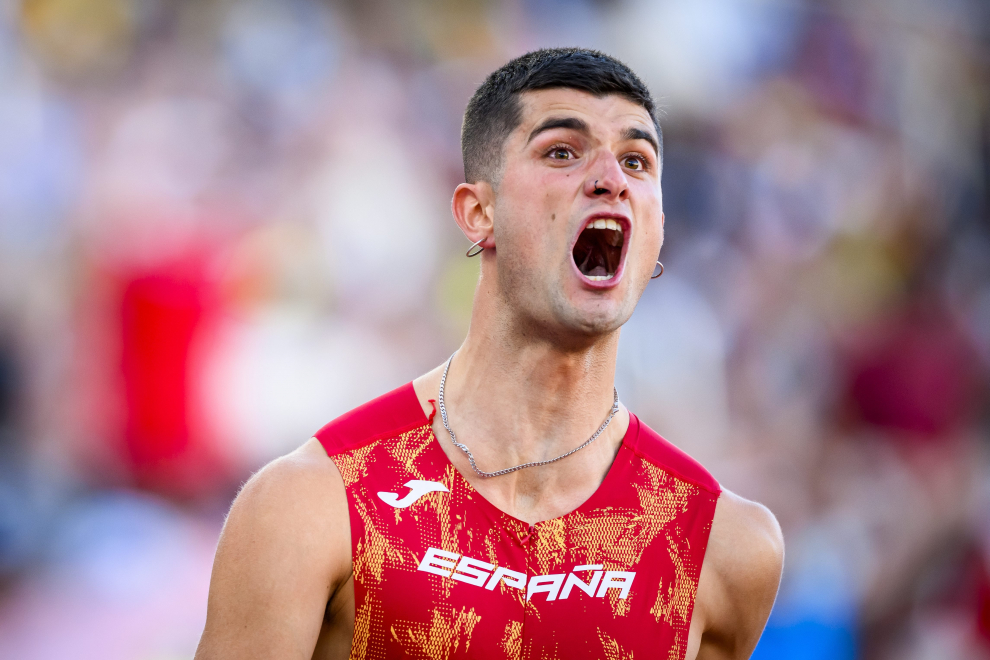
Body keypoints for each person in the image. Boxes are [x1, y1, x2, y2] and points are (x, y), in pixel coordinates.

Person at [195, 48, 783, 660]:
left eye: (637, 160)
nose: (611, 178)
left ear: (657, 226)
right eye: (562, 152)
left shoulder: (723, 550)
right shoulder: (313, 505)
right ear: (479, 213)